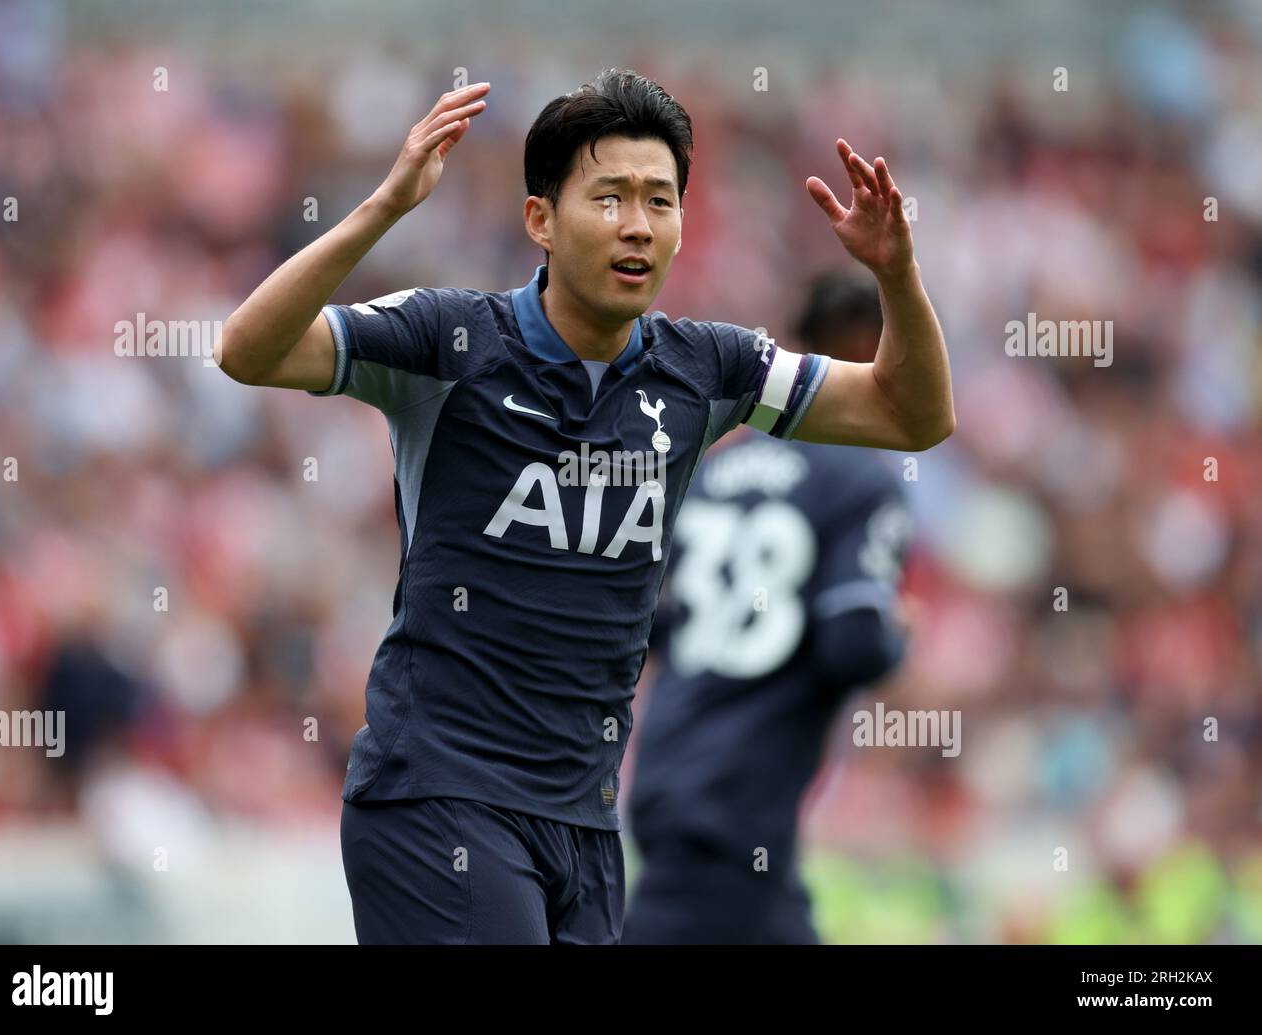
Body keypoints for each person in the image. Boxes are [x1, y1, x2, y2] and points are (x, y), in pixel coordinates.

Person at [216, 68, 954, 944]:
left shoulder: (706, 369)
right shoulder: (450, 341)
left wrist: (897, 276)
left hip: (586, 824)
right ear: (541, 219)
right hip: (440, 800)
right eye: (609, 198)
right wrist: (385, 208)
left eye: (660, 200)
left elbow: (913, 416)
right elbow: (248, 350)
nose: (638, 224)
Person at [623, 270, 913, 944]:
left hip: (675, 782)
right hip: (737, 805)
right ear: (868, 347)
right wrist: (895, 635)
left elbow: (659, 624)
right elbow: (856, 642)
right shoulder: (859, 479)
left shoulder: (713, 473)